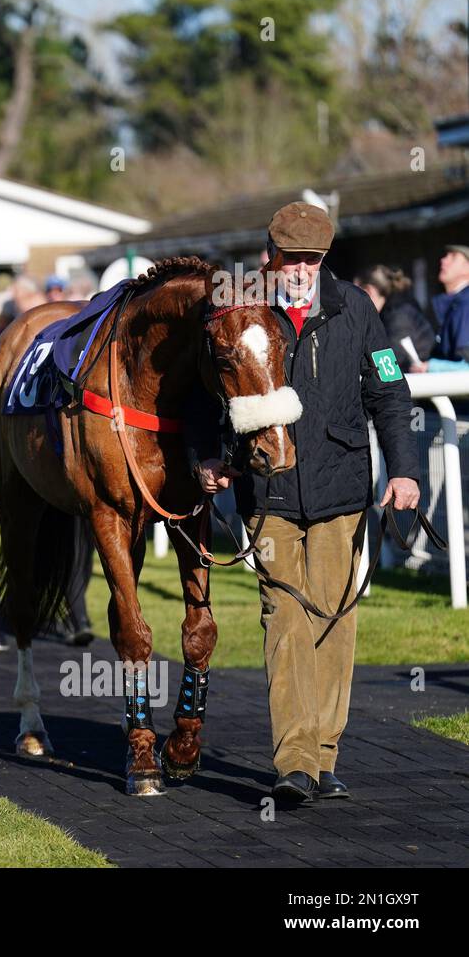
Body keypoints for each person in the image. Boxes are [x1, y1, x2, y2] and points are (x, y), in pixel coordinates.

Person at [192, 202, 420, 804]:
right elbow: (203, 391)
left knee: (334, 616)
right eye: (290, 258)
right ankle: (294, 762)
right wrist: (209, 454)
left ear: (325, 259)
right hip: (266, 492)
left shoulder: (358, 311)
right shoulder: (238, 308)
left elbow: (391, 396)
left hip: (342, 489)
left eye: (311, 260)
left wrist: (405, 472)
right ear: (270, 256)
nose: (300, 270)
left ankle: (324, 757)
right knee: (284, 616)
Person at [357, 264, 434, 372]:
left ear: (369, 291)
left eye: (355, 294)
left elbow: (392, 360)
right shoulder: (394, 309)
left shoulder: (398, 315)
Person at [413, 245, 469, 373]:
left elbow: (467, 364)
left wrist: (431, 367)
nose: (443, 260)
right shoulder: (449, 304)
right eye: (445, 256)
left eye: (453, 257)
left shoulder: (466, 304)